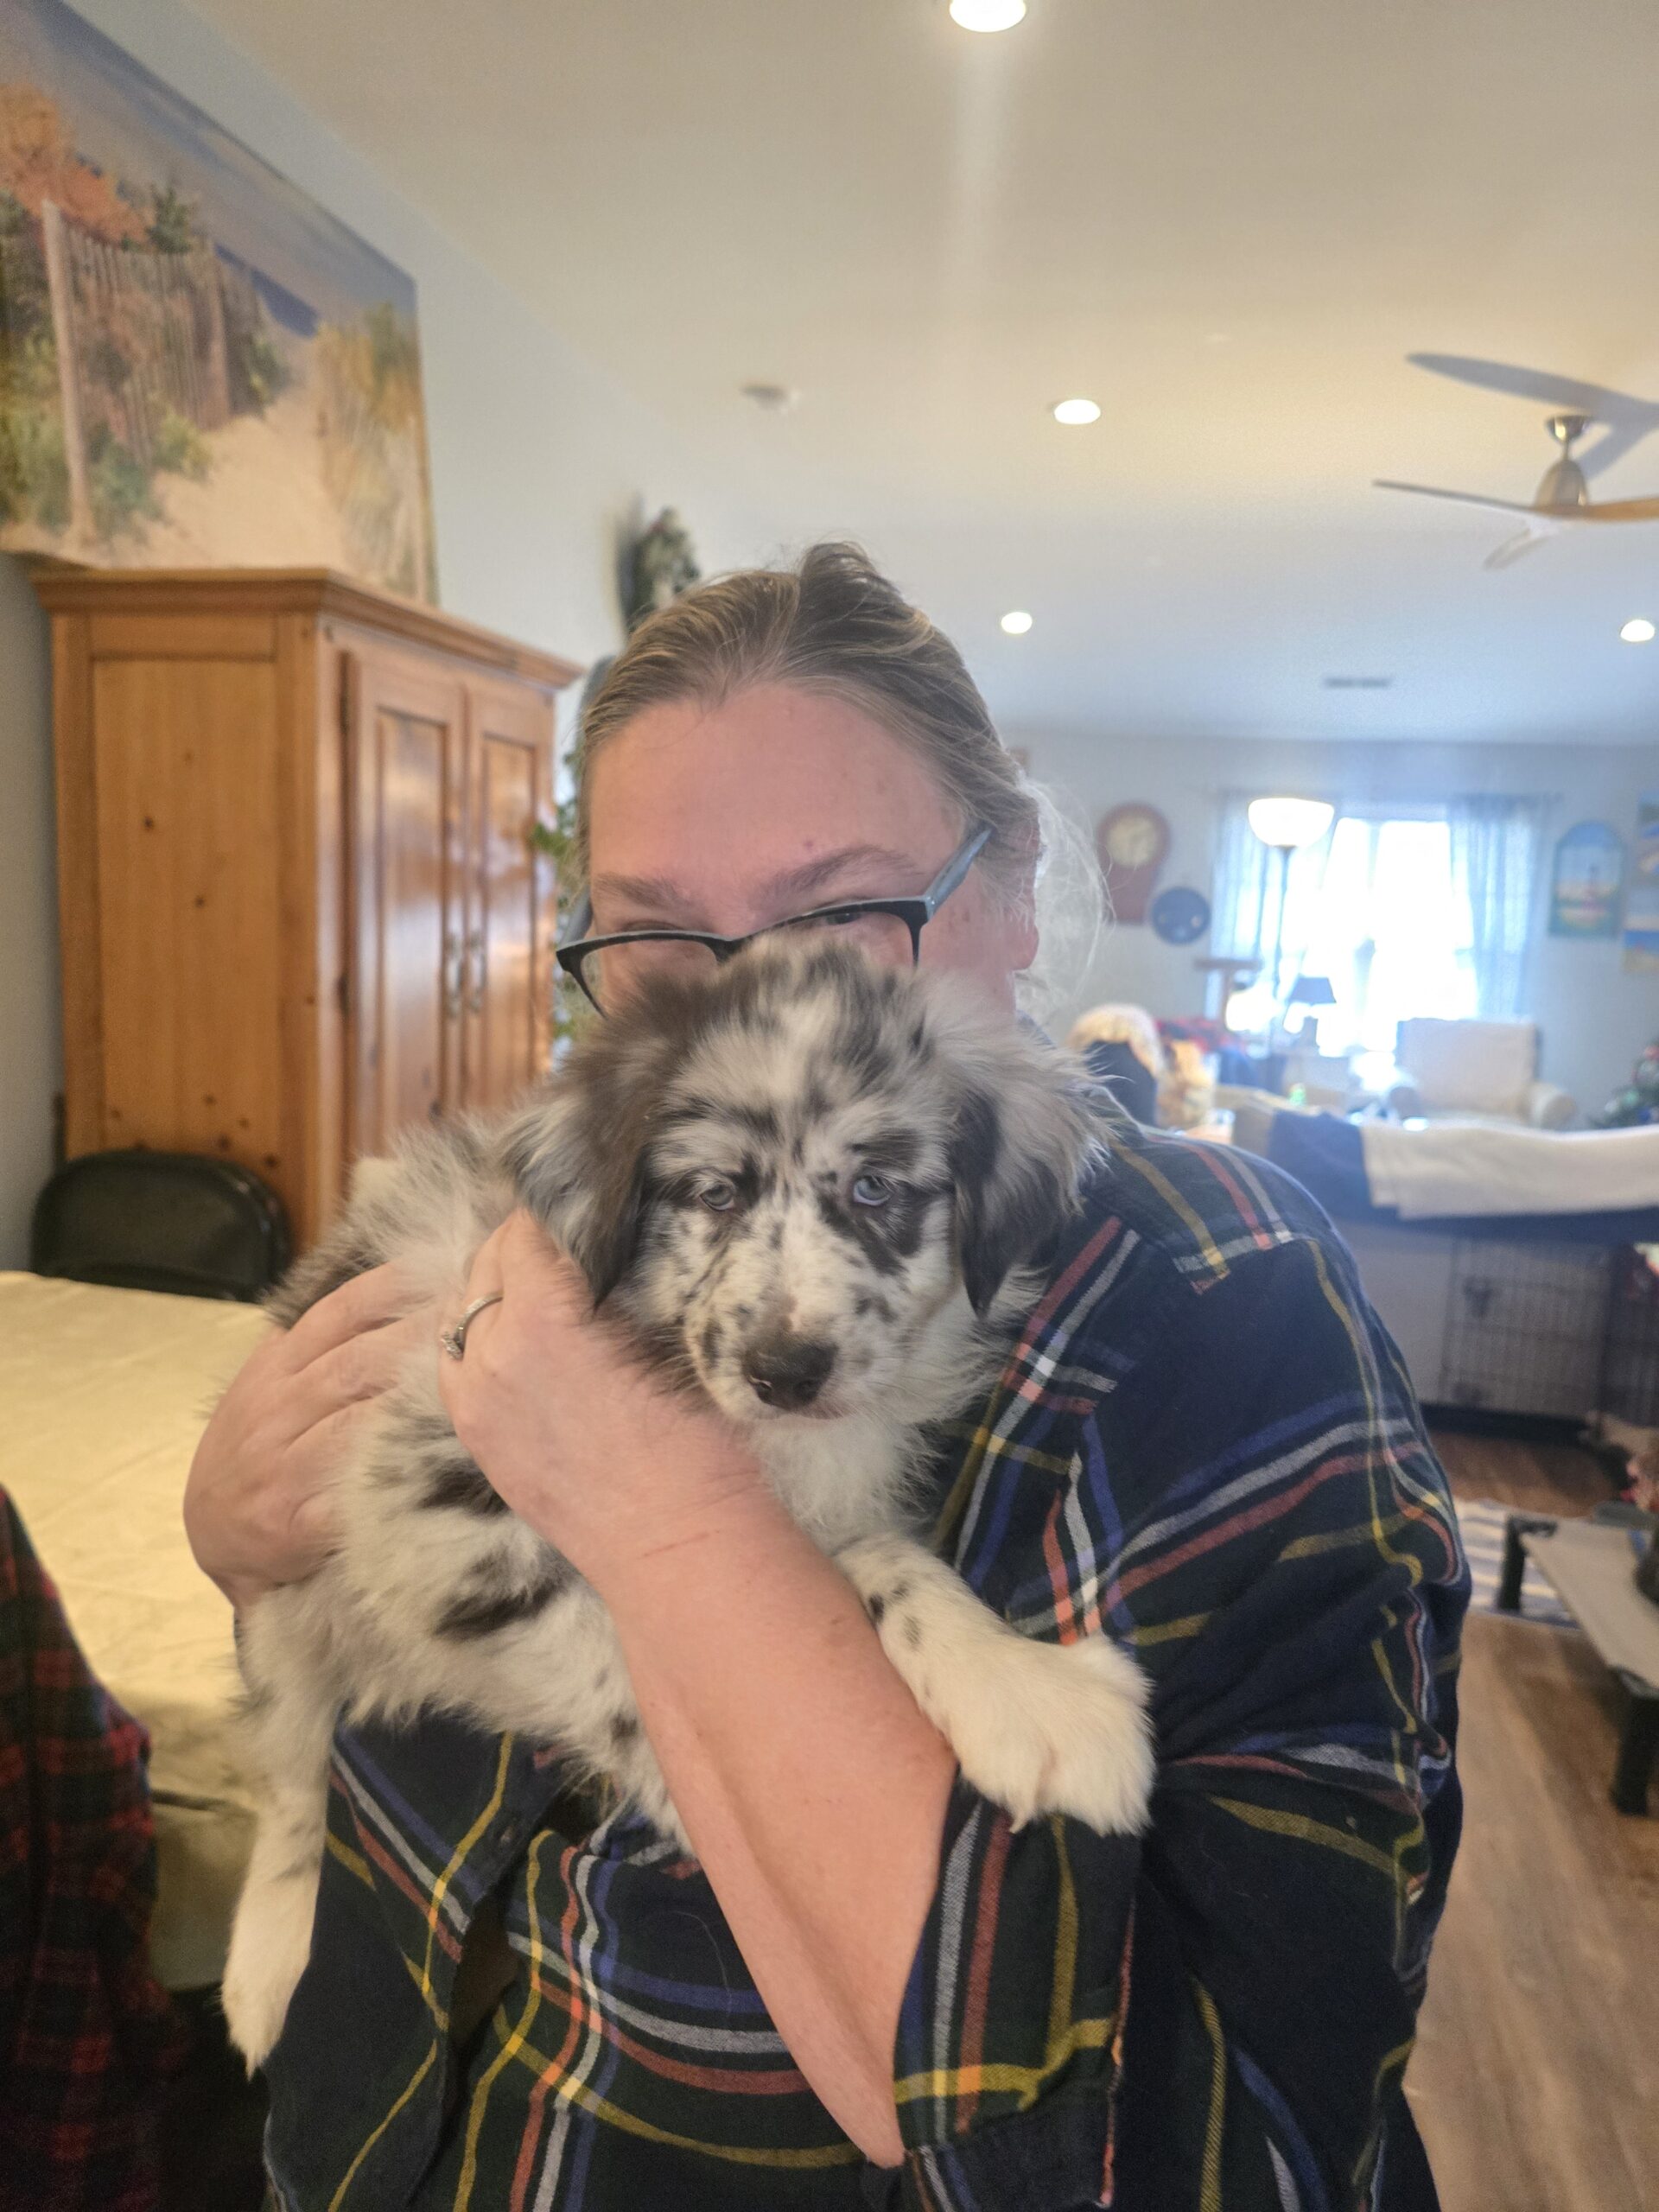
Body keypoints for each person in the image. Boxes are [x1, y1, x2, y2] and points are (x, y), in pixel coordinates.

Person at [186, 544, 1467, 2211]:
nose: (744, 1015)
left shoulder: (1228, 1304)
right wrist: (234, 1533)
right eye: (655, 933)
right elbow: (387, 1617)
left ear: (1008, 888)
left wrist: (654, 1507)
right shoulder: (576, 1182)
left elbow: (1219, 2154)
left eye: (842, 912)